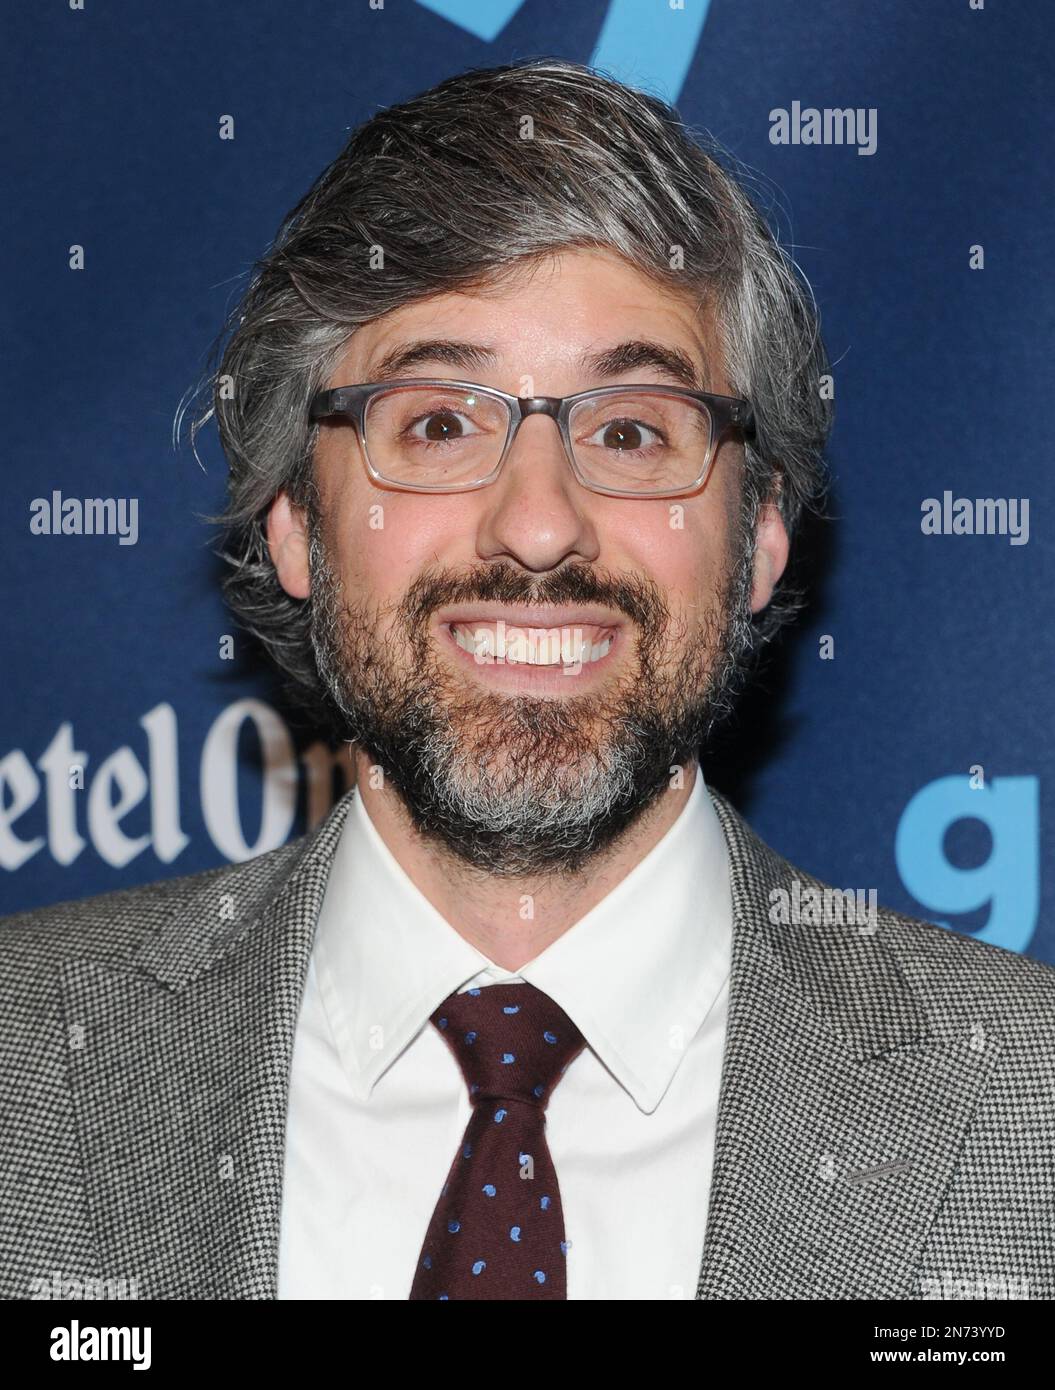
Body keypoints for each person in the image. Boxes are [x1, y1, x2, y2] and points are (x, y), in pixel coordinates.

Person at [1, 58, 1052, 1303]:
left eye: (629, 429)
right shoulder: (28, 1060)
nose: (541, 525)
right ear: (293, 517)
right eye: (438, 423)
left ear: (761, 530)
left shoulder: (1023, 1107)